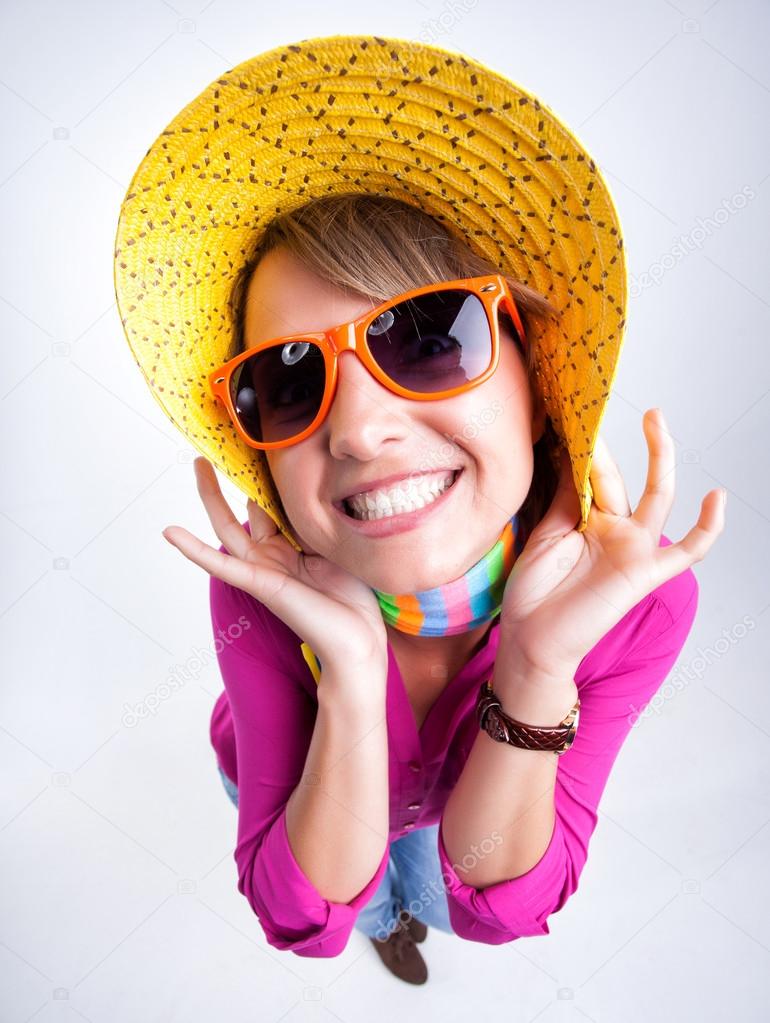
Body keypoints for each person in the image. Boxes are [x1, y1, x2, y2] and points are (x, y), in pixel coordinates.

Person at [114, 36, 726, 986]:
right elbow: (302, 915)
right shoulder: (267, 594)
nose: (358, 431)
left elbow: (505, 906)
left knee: (434, 885)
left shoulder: (635, 602)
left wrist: (534, 665)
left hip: (465, 807)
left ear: (535, 381)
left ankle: (404, 910)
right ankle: (391, 922)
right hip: (322, 792)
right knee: (365, 903)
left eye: (428, 338)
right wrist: (353, 669)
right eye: (290, 380)